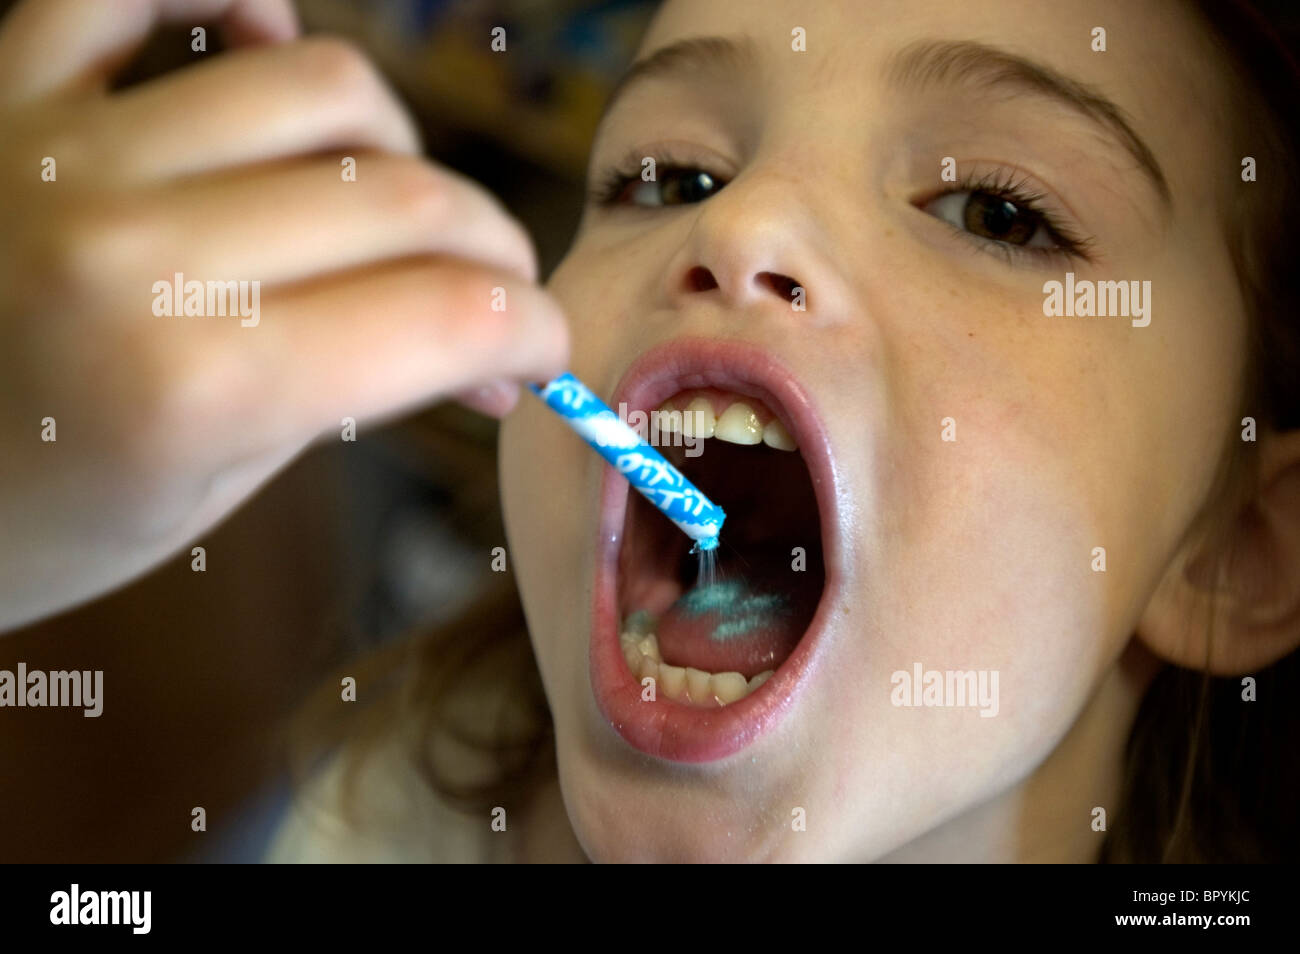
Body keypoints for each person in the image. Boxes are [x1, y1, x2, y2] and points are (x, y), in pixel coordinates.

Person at [3, 0, 1297, 863]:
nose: (735, 229)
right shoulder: (386, 814)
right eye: (669, 178)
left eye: (997, 213)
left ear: (1236, 546)